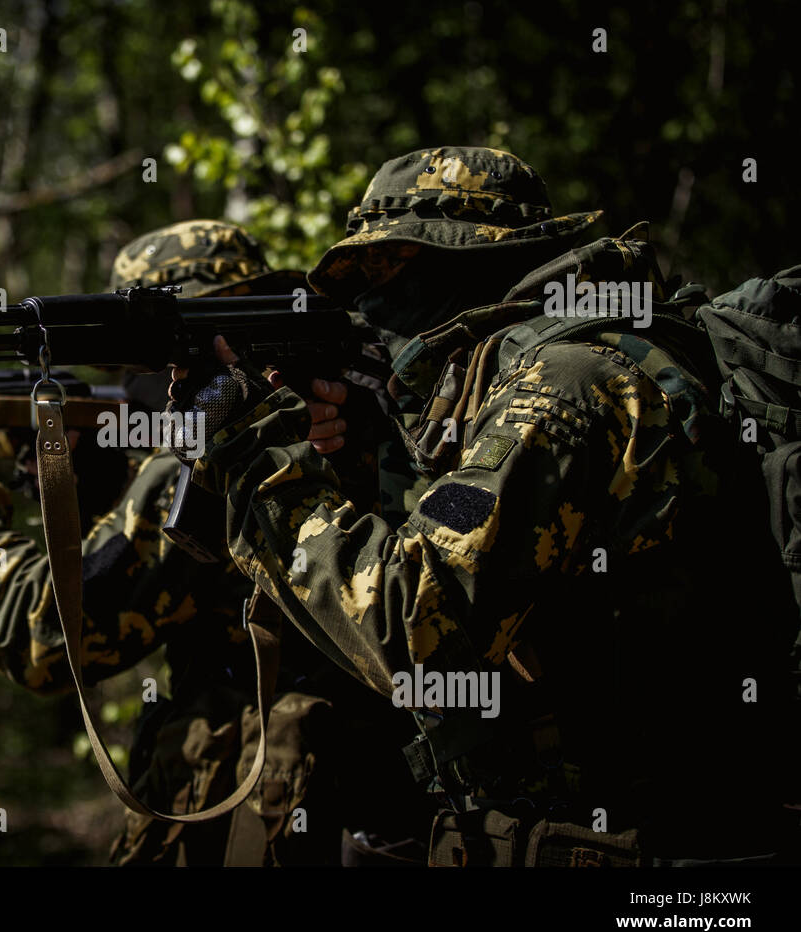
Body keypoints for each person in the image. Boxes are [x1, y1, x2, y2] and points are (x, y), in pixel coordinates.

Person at [167, 148, 795, 865]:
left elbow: (418, 631)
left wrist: (256, 454)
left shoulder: (570, 383)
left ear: (474, 261)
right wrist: (362, 468)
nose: (372, 299)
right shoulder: (525, 380)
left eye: (389, 267)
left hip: (645, 845)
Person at [0, 219, 428, 865]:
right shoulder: (342, 412)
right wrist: (94, 480)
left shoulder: (225, 447)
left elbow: (50, 638)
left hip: (283, 812)